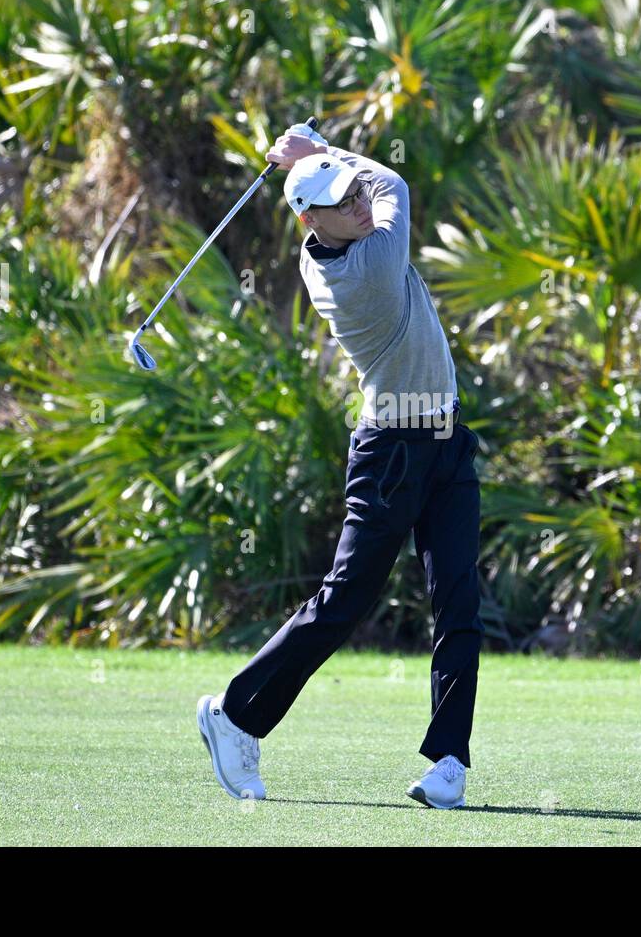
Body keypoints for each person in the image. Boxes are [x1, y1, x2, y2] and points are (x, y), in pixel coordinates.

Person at [196, 122, 483, 809]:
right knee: (344, 599)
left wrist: (321, 164)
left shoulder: (329, 245)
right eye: (337, 197)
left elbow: (373, 188)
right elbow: (397, 182)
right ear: (308, 219)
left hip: (446, 442)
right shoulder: (369, 265)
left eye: (354, 191)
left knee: (459, 602)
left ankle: (448, 759)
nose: (357, 200)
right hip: (392, 453)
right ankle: (234, 715)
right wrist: (317, 151)